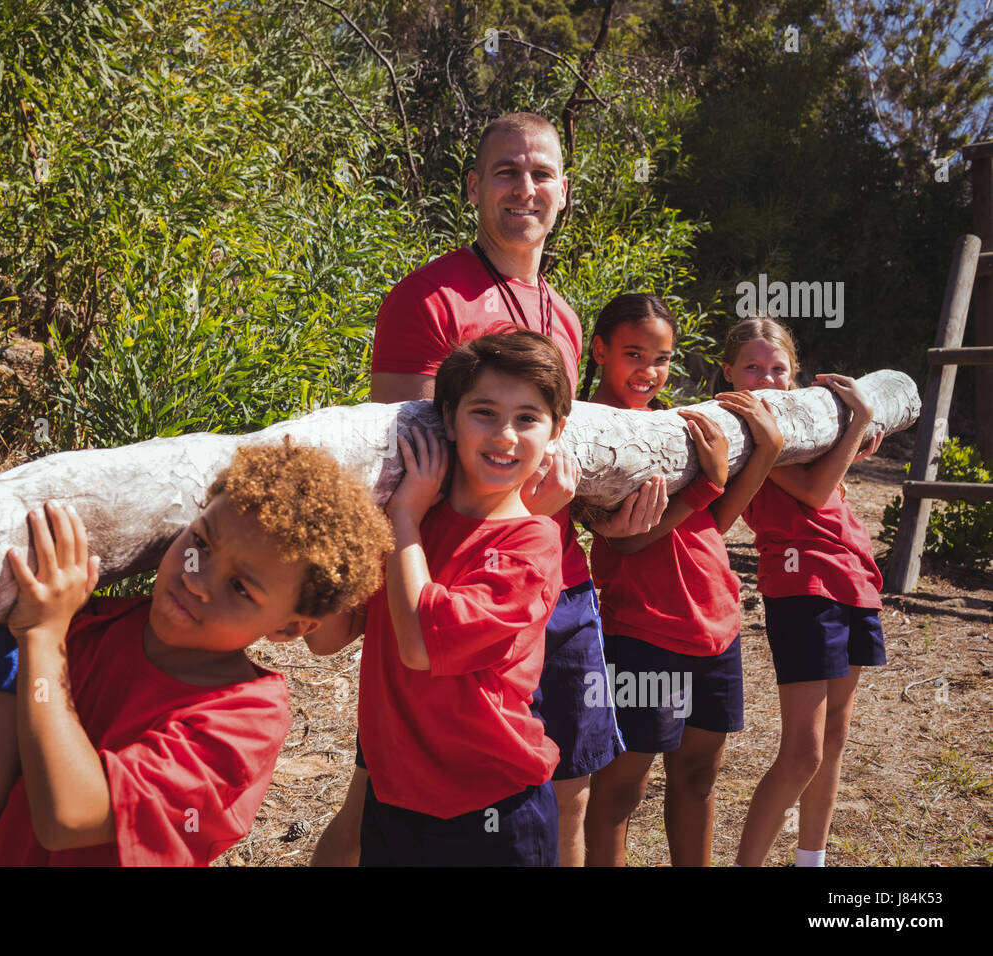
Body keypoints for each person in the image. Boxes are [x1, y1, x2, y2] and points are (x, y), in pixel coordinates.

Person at [310, 111, 669, 868]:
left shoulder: (566, 319)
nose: (524, 187)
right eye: (506, 171)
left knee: (565, 783)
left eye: (541, 174)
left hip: (557, 583)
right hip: (449, 583)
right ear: (475, 187)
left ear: (564, 192)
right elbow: (404, 464)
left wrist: (610, 519)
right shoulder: (429, 300)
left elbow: (561, 457)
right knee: (379, 793)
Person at [0, 438, 391, 865]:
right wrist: (16, 637)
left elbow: (70, 818)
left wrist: (41, 638)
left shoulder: (245, 722)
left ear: (290, 626)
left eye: (239, 586)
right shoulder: (89, 627)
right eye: (200, 543)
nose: (196, 579)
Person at [311, 330, 572, 864]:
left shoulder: (531, 543)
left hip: (492, 811)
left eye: (527, 418)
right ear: (448, 419)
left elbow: (420, 647)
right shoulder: (412, 518)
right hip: (394, 801)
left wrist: (402, 518)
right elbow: (328, 639)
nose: (504, 435)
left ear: (555, 432)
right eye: (484, 412)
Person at [580, 294, 783, 866]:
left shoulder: (670, 426)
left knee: (698, 775)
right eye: (633, 354)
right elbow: (624, 538)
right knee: (623, 788)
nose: (649, 370)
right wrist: (704, 485)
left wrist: (760, 455)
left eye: (662, 357)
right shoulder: (593, 434)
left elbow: (711, 524)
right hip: (642, 630)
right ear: (600, 350)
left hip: (716, 621)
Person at [724, 317, 887, 867]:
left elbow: (826, 493)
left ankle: (810, 861)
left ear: (795, 376)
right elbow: (814, 495)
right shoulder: (749, 433)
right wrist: (859, 420)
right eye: (752, 367)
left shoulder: (798, 432)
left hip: (853, 577)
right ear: (729, 373)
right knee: (802, 752)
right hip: (802, 586)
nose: (766, 379)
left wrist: (850, 448)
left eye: (778, 369)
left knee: (835, 736)